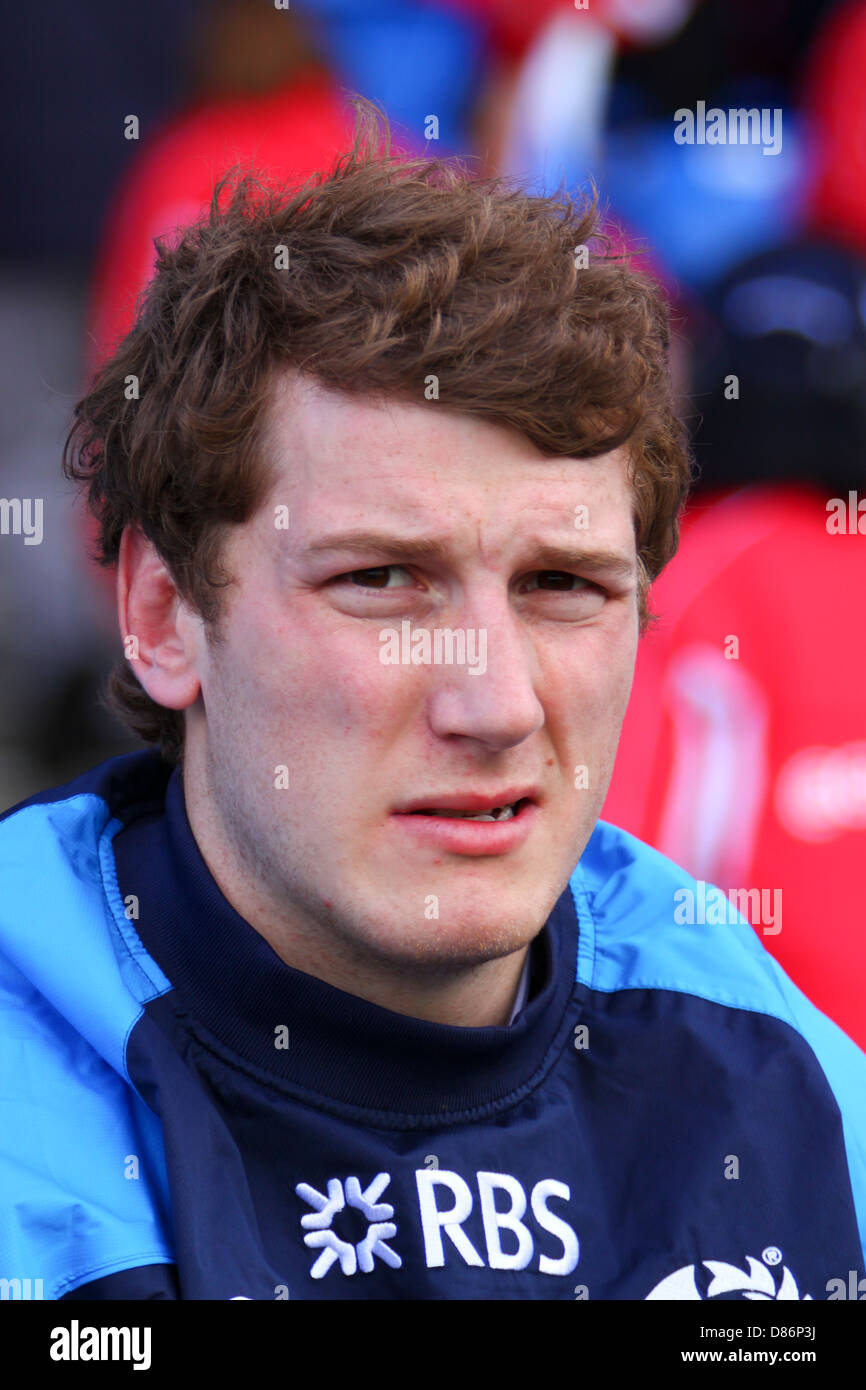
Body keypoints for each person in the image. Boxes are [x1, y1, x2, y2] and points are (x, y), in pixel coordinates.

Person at [0, 101, 863, 1302]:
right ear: (161, 615)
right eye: (383, 581)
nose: (496, 703)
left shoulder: (783, 1081)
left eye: (562, 585)